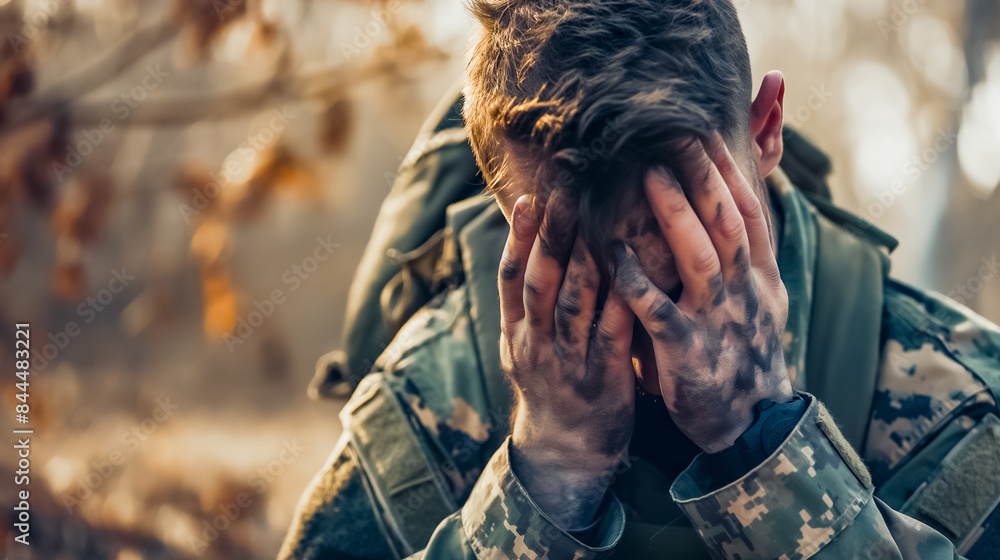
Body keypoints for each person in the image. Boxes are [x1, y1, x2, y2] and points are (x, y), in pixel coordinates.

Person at [279, 0, 1000, 558]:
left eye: (687, 276)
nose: (654, 347)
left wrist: (769, 451)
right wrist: (546, 481)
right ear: (500, 198)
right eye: (578, 284)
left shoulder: (962, 413)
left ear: (766, 131)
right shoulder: (424, 410)